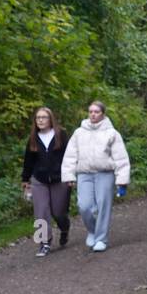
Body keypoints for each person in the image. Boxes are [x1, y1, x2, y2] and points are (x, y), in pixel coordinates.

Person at [60, 100, 131, 252]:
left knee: (103, 205)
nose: (93, 114)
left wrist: (122, 181)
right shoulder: (79, 133)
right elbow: (70, 156)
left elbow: (121, 158)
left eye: (96, 112)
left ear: (103, 114)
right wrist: (69, 176)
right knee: (84, 206)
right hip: (84, 174)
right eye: (90, 111)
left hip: (105, 173)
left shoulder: (112, 133)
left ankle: (101, 239)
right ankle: (92, 230)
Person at [21, 107, 70, 257]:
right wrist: (25, 179)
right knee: (41, 211)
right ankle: (44, 242)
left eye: (44, 117)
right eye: (38, 118)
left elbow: (69, 156)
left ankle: (65, 228)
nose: (41, 120)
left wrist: (71, 175)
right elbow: (28, 161)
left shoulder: (61, 134)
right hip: (39, 179)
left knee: (58, 212)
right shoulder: (33, 138)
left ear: (51, 119)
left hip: (59, 178)